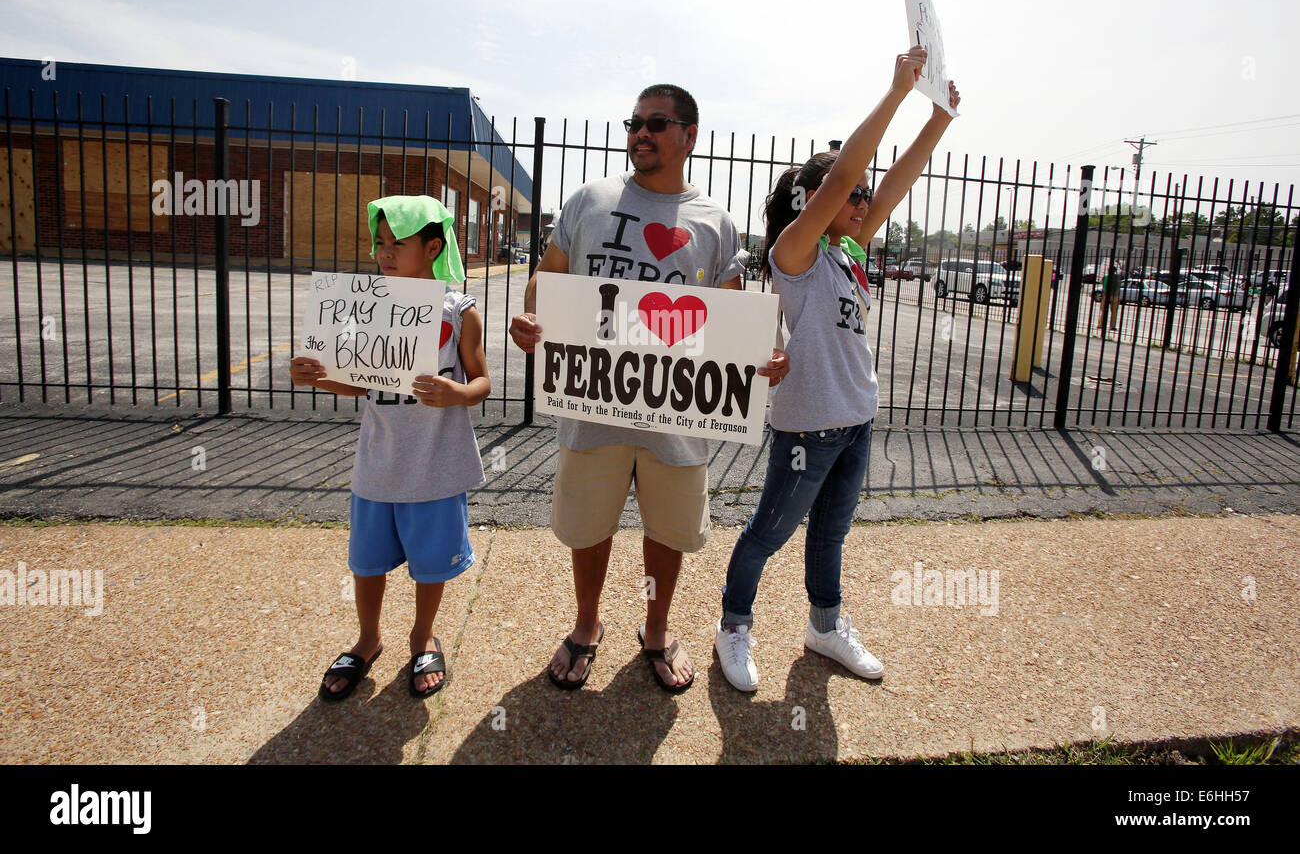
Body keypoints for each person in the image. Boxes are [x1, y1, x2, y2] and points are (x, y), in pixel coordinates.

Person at [509, 84, 790, 693]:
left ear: (689, 135)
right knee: (589, 528)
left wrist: (760, 358)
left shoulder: (714, 221)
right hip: (594, 407)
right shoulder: (589, 201)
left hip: (677, 417)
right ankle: (587, 626)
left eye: (656, 123)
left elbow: (731, 322)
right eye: (634, 121)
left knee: (668, 530)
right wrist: (534, 318)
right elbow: (546, 279)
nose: (640, 132)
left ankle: (657, 630)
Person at [713, 47, 960, 691]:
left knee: (831, 535)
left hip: (856, 420)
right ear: (816, 202)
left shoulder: (847, 252)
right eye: (852, 195)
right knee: (768, 532)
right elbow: (845, 173)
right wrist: (895, 93)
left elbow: (893, 182)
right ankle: (733, 625)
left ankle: (825, 626)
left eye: (863, 196)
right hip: (807, 426)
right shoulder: (795, 251)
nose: (864, 200)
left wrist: (939, 119)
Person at [289, 195, 490, 701]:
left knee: (433, 560)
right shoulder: (368, 305)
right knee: (368, 559)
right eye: (379, 243)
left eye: (396, 243)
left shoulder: (460, 310)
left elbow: (483, 381)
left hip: (437, 464)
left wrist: (456, 393)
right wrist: (319, 377)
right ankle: (368, 637)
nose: (383, 253)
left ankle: (423, 636)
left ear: (432, 247)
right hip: (378, 461)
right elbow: (362, 383)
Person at [1099, 260, 1122, 335]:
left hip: (1106, 294)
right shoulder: (1118, 277)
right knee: (1114, 311)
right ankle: (1112, 326)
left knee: (1103, 311)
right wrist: (1119, 264)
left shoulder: (1105, 277)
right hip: (1115, 295)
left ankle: (1101, 324)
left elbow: (1103, 284)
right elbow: (1122, 273)